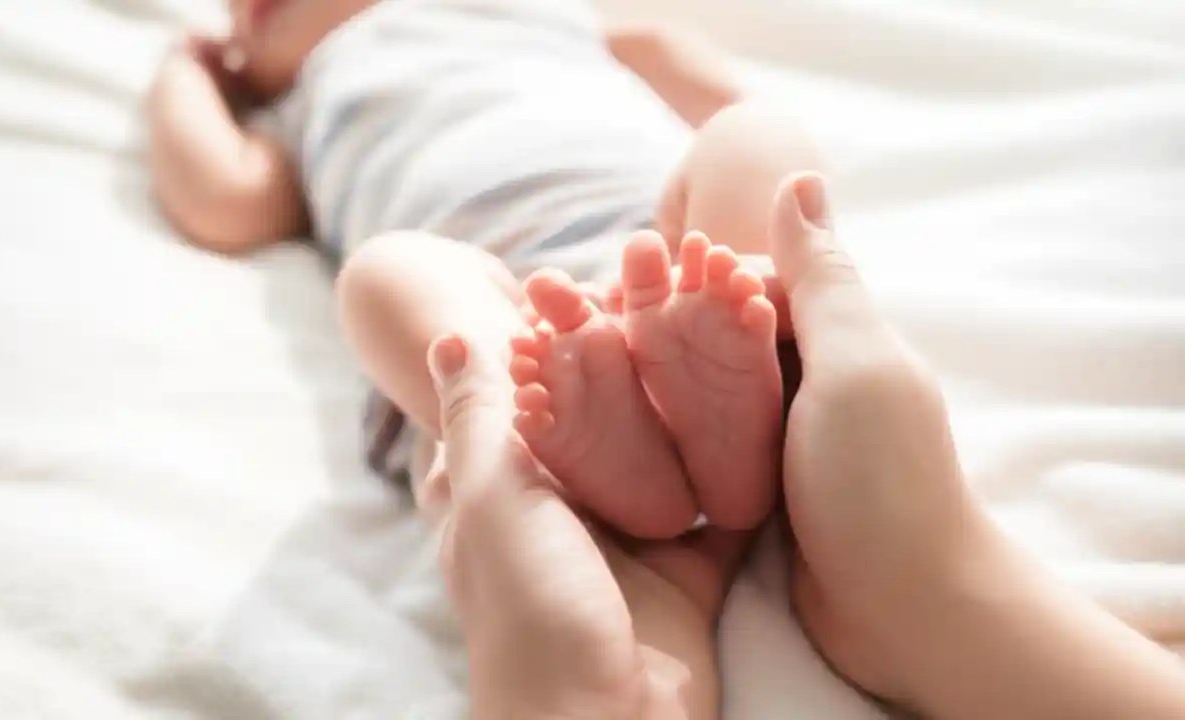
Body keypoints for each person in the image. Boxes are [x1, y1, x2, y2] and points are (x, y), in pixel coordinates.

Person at [428, 174, 1185, 718]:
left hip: (601, 270)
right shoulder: (334, 72)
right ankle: (664, 426)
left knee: (412, 277)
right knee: (404, 273)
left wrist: (585, 700)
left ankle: (660, 420)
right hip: (588, 286)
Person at [146, 0, 821, 539]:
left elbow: (700, 84)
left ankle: (738, 360)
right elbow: (226, 200)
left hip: (671, 256)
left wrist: (636, 46)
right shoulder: (303, 102)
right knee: (384, 276)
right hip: (505, 315)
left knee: (754, 135)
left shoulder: (528, 13)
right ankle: (564, 434)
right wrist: (185, 72)